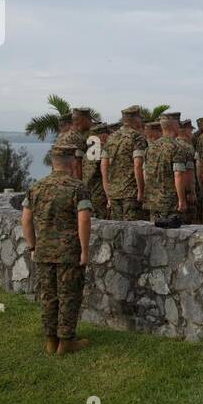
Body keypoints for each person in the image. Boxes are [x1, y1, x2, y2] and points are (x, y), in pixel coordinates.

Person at [21, 145, 92, 355]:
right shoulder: (77, 188)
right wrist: (84, 251)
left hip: (43, 251)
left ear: (53, 162)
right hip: (68, 252)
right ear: (72, 162)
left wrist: (33, 246)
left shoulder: (36, 187)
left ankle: (51, 340)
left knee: (48, 295)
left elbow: (25, 220)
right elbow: (84, 219)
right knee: (69, 295)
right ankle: (67, 341)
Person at [102, 105, 147, 221]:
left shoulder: (111, 137)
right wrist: (141, 192)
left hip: (114, 193)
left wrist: (108, 192)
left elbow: (104, 167)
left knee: (117, 230)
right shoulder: (137, 137)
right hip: (131, 193)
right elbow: (138, 166)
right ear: (136, 119)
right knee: (132, 230)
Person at [83, 122, 111, 217]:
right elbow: (105, 175)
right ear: (103, 136)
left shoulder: (88, 153)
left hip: (87, 194)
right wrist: (109, 197)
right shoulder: (103, 151)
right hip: (100, 196)